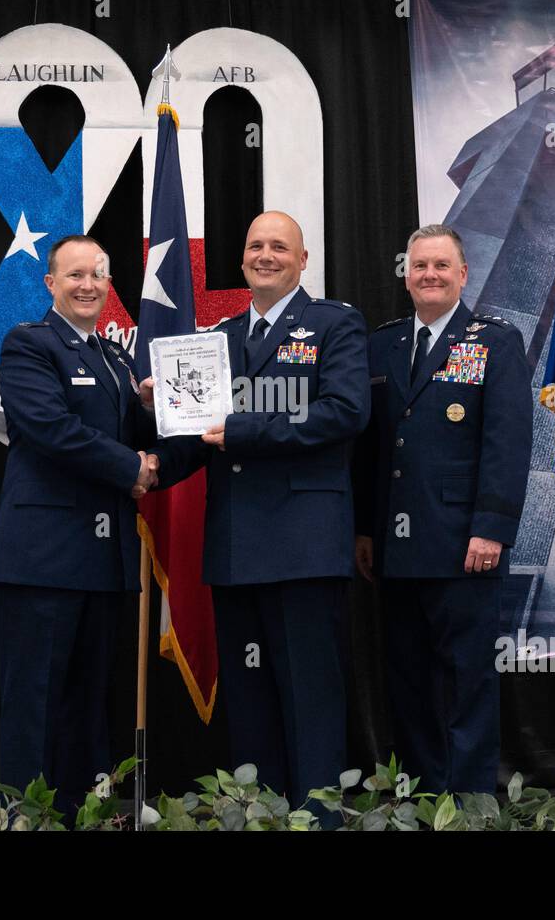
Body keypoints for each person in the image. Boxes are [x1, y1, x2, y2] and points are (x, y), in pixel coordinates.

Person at [147, 211, 369, 805]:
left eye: (279, 246)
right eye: (255, 246)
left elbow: (344, 413)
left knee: (310, 696)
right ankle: (262, 816)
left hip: (304, 544)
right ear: (242, 260)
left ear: (303, 261)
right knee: (248, 698)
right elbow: (199, 436)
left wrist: (246, 430)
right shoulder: (216, 340)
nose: (265, 255)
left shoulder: (334, 325)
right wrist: (151, 460)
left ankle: (318, 817)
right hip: (236, 542)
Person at [353, 224, 532, 794]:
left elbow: (508, 443)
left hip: (464, 544)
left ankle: (472, 800)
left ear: (462, 274)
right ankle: (425, 795)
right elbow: (370, 447)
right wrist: (364, 529)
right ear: (405, 275)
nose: (429, 275)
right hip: (396, 546)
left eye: (440, 265)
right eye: (419, 265)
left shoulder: (496, 341)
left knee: (466, 680)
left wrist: (492, 528)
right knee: (408, 680)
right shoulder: (380, 344)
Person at [0, 234, 157, 808]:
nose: (88, 285)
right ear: (51, 284)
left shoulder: (115, 359)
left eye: (98, 276)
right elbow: (51, 431)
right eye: (76, 275)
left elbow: (133, 441)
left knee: (89, 707)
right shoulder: (28, 345)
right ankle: (26, 819)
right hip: (44, 558)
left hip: (103, 562)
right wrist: (132, 465)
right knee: (34, 705)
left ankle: (85, 816)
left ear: (110, 285)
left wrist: (166, 415)